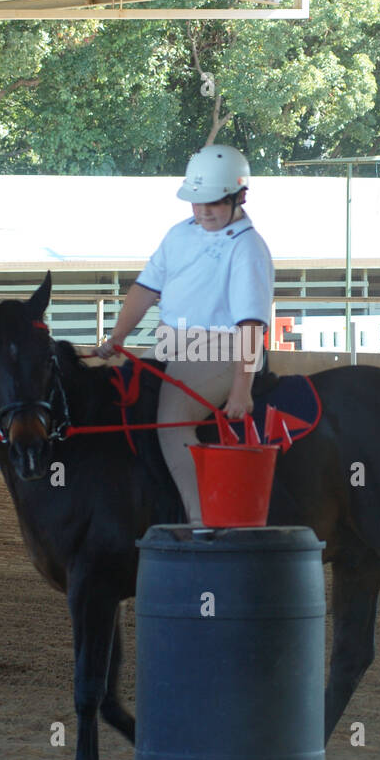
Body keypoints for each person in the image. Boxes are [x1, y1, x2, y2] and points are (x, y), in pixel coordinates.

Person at [93, 144, 274, 527]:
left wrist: (242, 388)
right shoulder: (179, 234)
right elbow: (145, 289)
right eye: (197, 202)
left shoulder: (248, 248)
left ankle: (202, 523)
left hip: (224, 351)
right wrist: (118, 338)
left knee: (171, 419)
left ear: (239, 197)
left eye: (213, 203)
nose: (204, 211)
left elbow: (251, 325)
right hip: (172, 344)